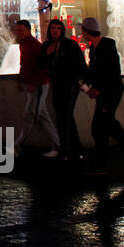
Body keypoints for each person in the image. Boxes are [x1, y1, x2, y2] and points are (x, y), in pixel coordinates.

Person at [80, 17, 124, 172]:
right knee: (104, 125)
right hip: (105, 92)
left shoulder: (106, 46)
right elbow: (95, 72)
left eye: (83, 30)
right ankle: (112, 159)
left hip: (110, 91)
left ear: (86, 30)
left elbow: (111, 72)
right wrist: (88, 84)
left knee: (103, 126)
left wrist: (97, 88)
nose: (82, 33)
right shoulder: (94, 48)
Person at [39, 18, 85, 161]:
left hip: (70, 85)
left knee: (66, 115)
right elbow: (40, 64)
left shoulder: (70, 45)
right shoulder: (46, 45)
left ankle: (68, 148)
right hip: (57, 85)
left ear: (62, 30)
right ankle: (72, 148)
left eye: (58, 28)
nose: (55, 31)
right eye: (53, 28)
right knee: (62, 116)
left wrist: (79, 81)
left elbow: (80, 65)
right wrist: (47, 54)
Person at [13, 19, 59, 157]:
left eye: (20, 30)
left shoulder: (32, 45)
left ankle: (18, 145)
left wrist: (30, 82)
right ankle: (57, 145)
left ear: (28, 30)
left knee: (31, 116)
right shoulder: (28, 44)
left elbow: (39, 66)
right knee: (39, 115)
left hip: (37, 86)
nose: (18, 32)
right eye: (17, 30)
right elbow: (26, 65)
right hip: (35, 85)